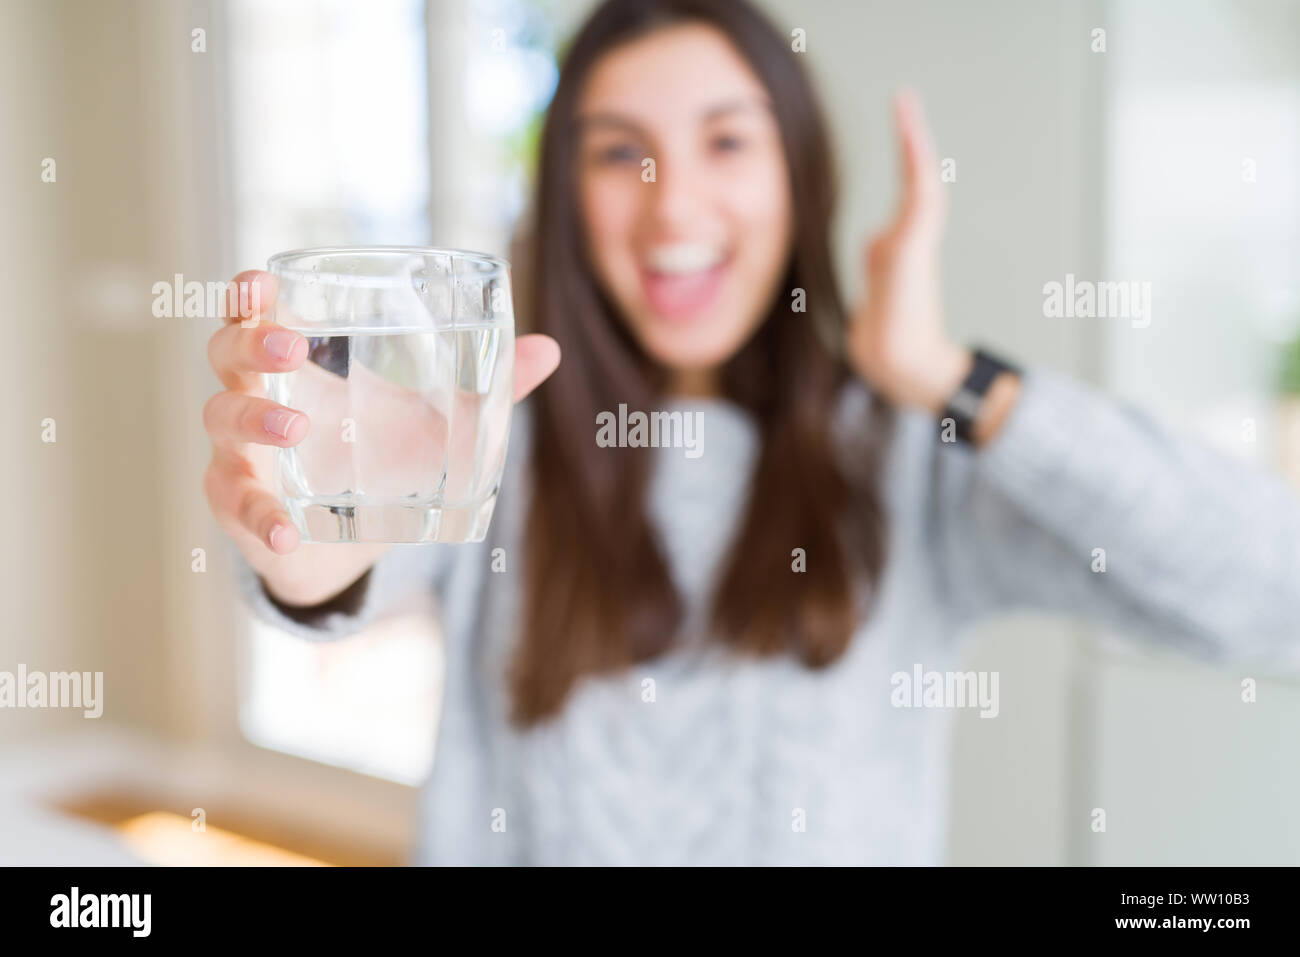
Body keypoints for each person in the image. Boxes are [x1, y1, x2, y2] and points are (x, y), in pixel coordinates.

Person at [201, 0, 1300, 865]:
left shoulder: (914, 458)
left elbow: (1273, 589)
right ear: (566, 198)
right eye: (616, 153)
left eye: (727, 143)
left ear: (799, 173)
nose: (671, 207)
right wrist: (316, 534)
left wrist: (953, 379)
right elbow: (338, 580)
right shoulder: (502, 436)